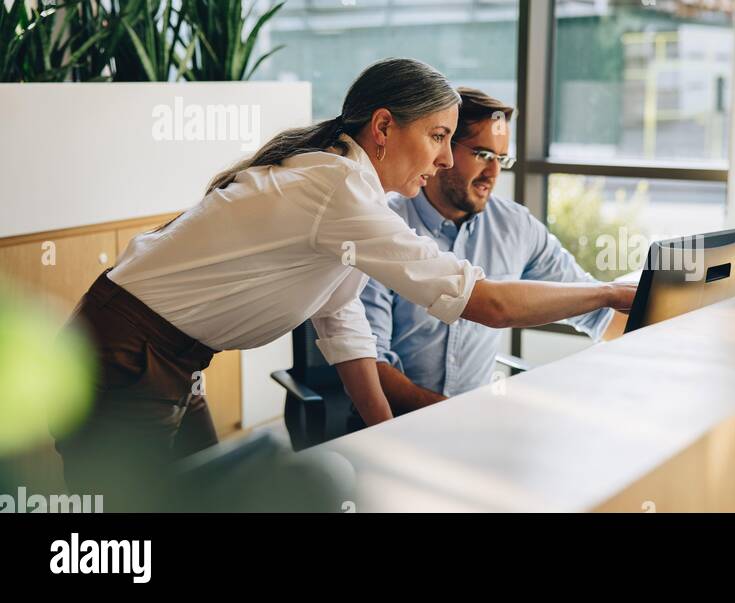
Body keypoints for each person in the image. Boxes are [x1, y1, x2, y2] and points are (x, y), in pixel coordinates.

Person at [56, 58, 635, 501]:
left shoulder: (344, 192)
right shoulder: (339, 190)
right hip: (127, 350)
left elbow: (342, 326)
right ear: (383, 127)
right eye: (438, 137)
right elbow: (484, 303)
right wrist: (610, 292)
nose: (442, 161)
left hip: (170, 356)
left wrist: (384, 439)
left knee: (202, 500)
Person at [361, 87, 619, 414]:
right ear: (443, 148)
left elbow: (595, 310)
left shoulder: (515, 227)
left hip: (477, 425)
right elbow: (372, 366)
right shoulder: (384, 227)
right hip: (393, 424)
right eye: (482, 154)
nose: (494, 173)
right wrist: (454, 417)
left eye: (501, 158)